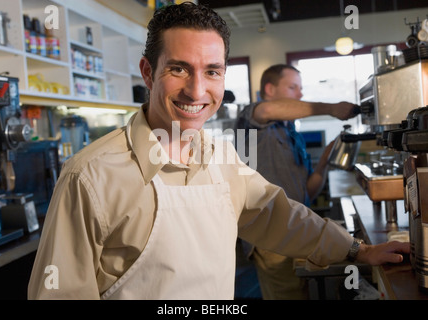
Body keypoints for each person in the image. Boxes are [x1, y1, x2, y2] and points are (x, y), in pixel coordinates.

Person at [27, 2, 409, 300]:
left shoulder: (221, 156)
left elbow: (279, 215)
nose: (196, 91)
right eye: (178, 69)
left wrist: (358, 250)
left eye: (212, 71)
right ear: (148, 72)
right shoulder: (90, 175)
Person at [235, 64, 361, 299]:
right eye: (293, 87)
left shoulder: (289, 131)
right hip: (271, 234)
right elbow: (267, 111)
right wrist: (332, 108)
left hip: (298, 227)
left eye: (301, 88)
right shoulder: (250, 119)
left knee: (301, 292)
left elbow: (308, 193)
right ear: (270, 89)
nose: (300, 94)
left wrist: (324, 161)